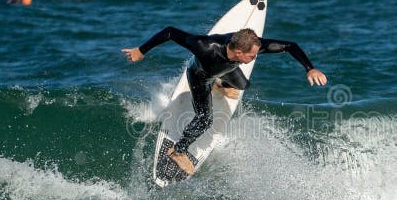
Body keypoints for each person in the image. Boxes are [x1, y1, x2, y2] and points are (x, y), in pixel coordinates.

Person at [122, 27, 327, 175]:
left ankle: (221, 84)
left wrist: (310, 68)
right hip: (201, 75)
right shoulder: (205, 46)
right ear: (238, 52)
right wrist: (141, 50)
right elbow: (170, 32)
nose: (255, 57)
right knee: (204, 120)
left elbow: (291, 46)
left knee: (244, 86)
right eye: (252, 56)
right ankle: (178, 150)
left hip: (224, 70)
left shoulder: (248, 47)